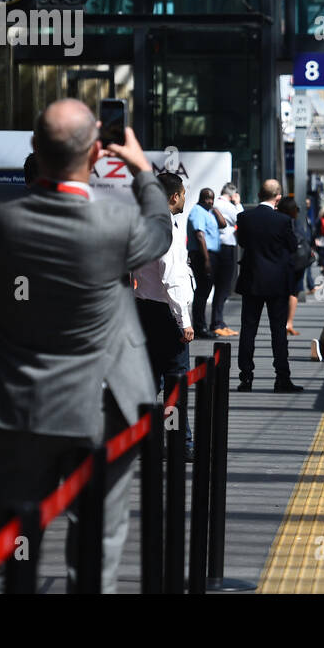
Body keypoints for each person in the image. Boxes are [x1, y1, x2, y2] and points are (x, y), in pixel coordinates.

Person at [0, 99, 171, 593]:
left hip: (20, 398)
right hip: (104, 400)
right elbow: (159, 232)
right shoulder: (115, 222)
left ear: (33, 147)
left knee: (5, 536)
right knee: (96, 538)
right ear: (97, 151)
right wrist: (142, 171)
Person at [133, 172, 195, 461]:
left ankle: (139, 438)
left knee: (147, 380)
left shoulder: (142, 222)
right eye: (183, 193)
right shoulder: (164, 228)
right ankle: (180, 442)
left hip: (143, 309)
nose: (184, 198)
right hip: (165, 313)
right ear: (174, 197)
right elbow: (171, 279)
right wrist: (185, 321)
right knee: (175, 380)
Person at [234, 179, 301, 393]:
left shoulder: (244, 217)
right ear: (278, 198)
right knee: (278, 331)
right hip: (277, 284)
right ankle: (282, 378)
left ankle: (246, 378)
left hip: (252, 281)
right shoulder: (282, 221)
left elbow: (242, 243)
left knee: (248, 330)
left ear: (259, 194)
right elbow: (292, 246)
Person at [186, 188, 220, 339]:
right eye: (207, 198)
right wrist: (206, 260)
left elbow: (223, 225)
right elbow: (200, 236)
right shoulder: (198, 211)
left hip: (208, 255)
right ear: (201, 198)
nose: (210, 201)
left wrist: (216, 211)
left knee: (205, 291)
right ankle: (200, 327)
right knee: (202, 291)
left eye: (212, 198)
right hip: (202, 255)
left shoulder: (208, 212)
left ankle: (201, 325)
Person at [209, 184, 240, 337]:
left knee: (220, 287)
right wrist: (238, 203)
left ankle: (219, 321)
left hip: (215, 247)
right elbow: (241, 219)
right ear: (232, 194)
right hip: (227, 246)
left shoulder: (214, 204)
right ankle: (217, 322)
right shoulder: (228, 206)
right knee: (224, 286)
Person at [276, 196, 310, 336]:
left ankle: (284, 323)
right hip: (297, 262)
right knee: (293, 291)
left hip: (283, 262)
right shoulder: (296, 223)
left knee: (283, 292)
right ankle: (288, 322)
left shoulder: (277, 222)